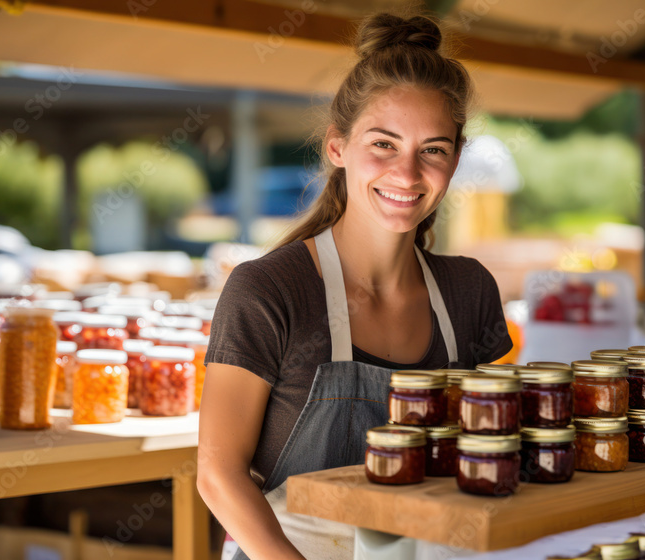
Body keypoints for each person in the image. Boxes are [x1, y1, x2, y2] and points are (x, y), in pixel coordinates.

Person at [197, 12, 513, 560]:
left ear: (456, 159)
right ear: (337, 147)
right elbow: (218, 477)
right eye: (384, 144)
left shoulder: (469, 292)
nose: (407, 174)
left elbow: (480, 457)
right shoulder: (269, 291)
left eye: (433, 149)